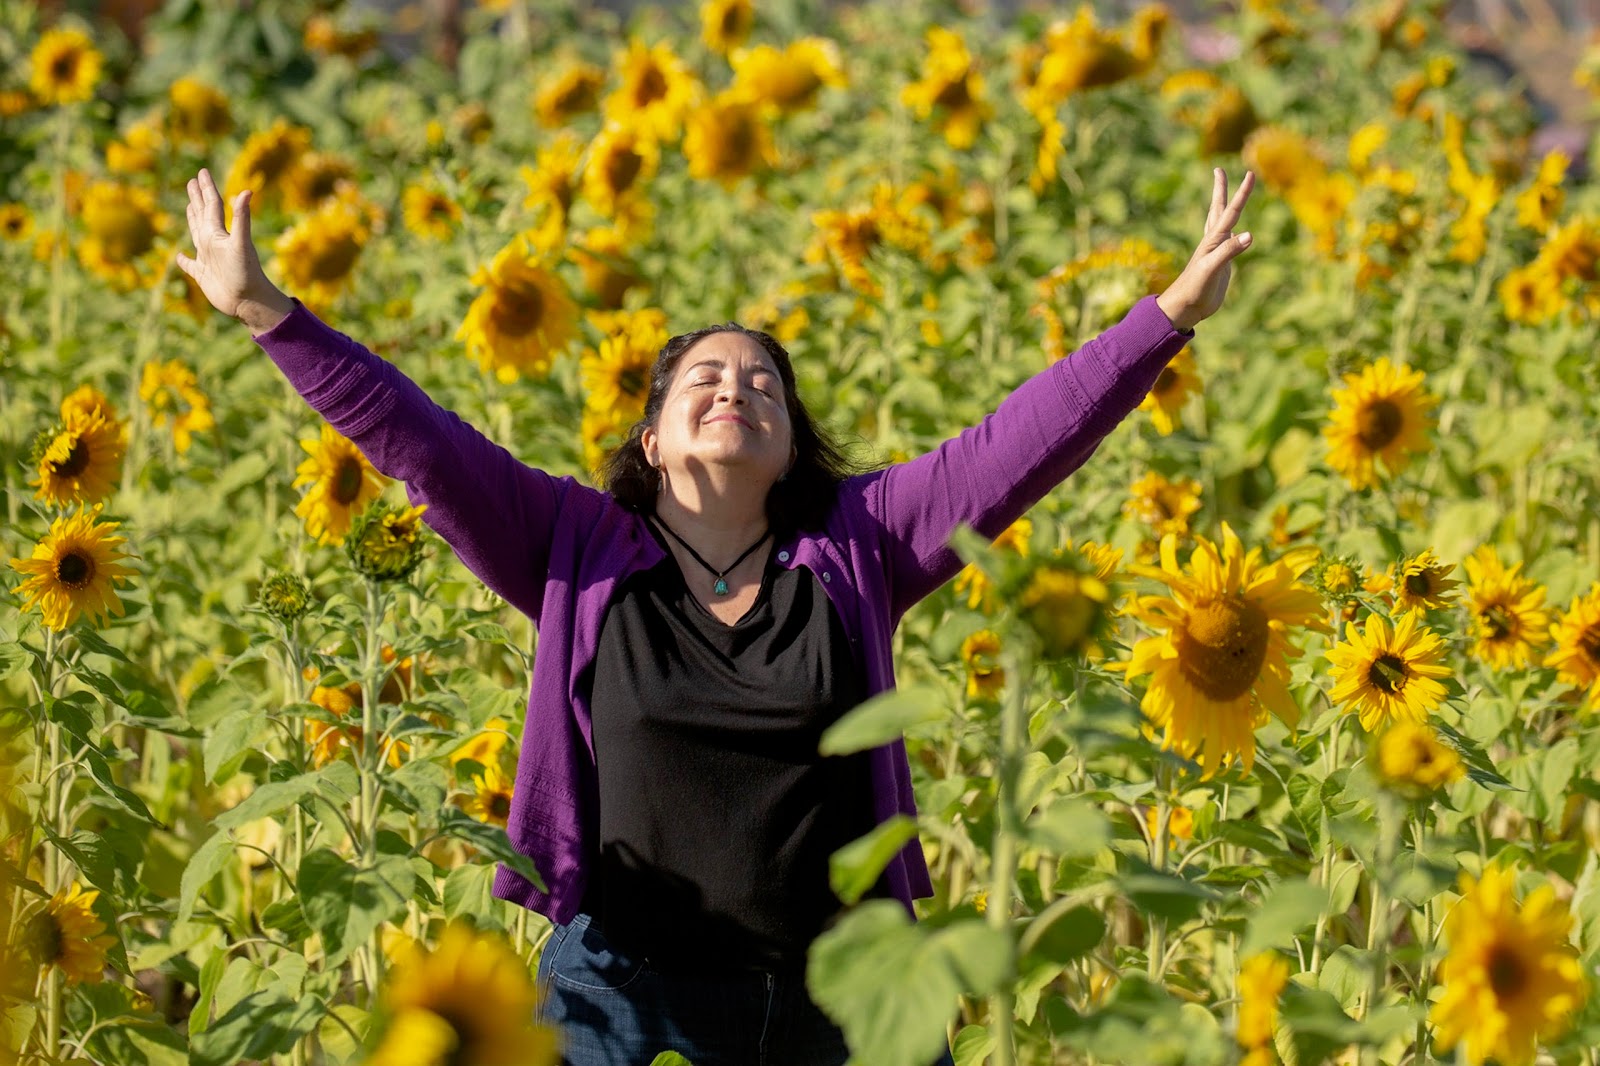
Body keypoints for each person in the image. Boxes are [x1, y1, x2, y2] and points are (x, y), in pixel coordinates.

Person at [176, 164, 1255, 1066]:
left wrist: (1167, 318)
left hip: (841, 994)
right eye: (704, 376)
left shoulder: (859, 542)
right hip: (626, 999)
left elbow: (1015, 447)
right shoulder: (571, 543)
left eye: (763, 385)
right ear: (651, 438)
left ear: (788, 444)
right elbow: (416, 442)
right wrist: (270, 312)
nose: (735, 389)